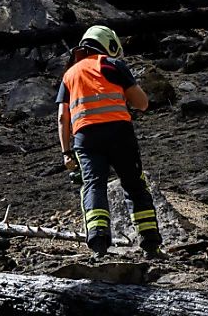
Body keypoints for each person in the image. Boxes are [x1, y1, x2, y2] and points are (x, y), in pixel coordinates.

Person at [56, 25, 163, 258]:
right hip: (119, 133)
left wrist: (66, 153)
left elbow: (63, 118)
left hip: (85, 138)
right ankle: (150, 243)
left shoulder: (69, 74)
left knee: (94, 185)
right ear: (109, 44)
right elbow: (142, 103)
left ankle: (98, 244)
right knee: (134, 185)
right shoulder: (112, 64)